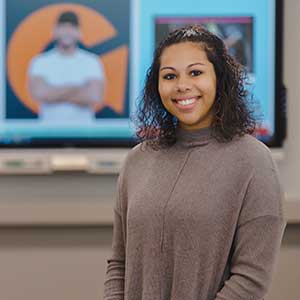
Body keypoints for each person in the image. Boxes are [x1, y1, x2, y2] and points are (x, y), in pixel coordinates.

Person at [103, 25, 286, 300]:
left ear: (219, 79)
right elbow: (119, 264)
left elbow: (251, 279)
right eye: (169, 76)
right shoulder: (137, 160)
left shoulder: (253, 161)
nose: (182, 85)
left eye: (196, 72)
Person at [28, 11, 105, 123]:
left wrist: (53, 92)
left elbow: (94, 96)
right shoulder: (40, 62)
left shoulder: (92, 61)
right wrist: (78, 89)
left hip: (83, 133)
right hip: (48, 133)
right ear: (55, 31)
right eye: (63, 27)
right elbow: (40, 93)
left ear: (79, 33)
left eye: (72, 27)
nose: (67, 32)